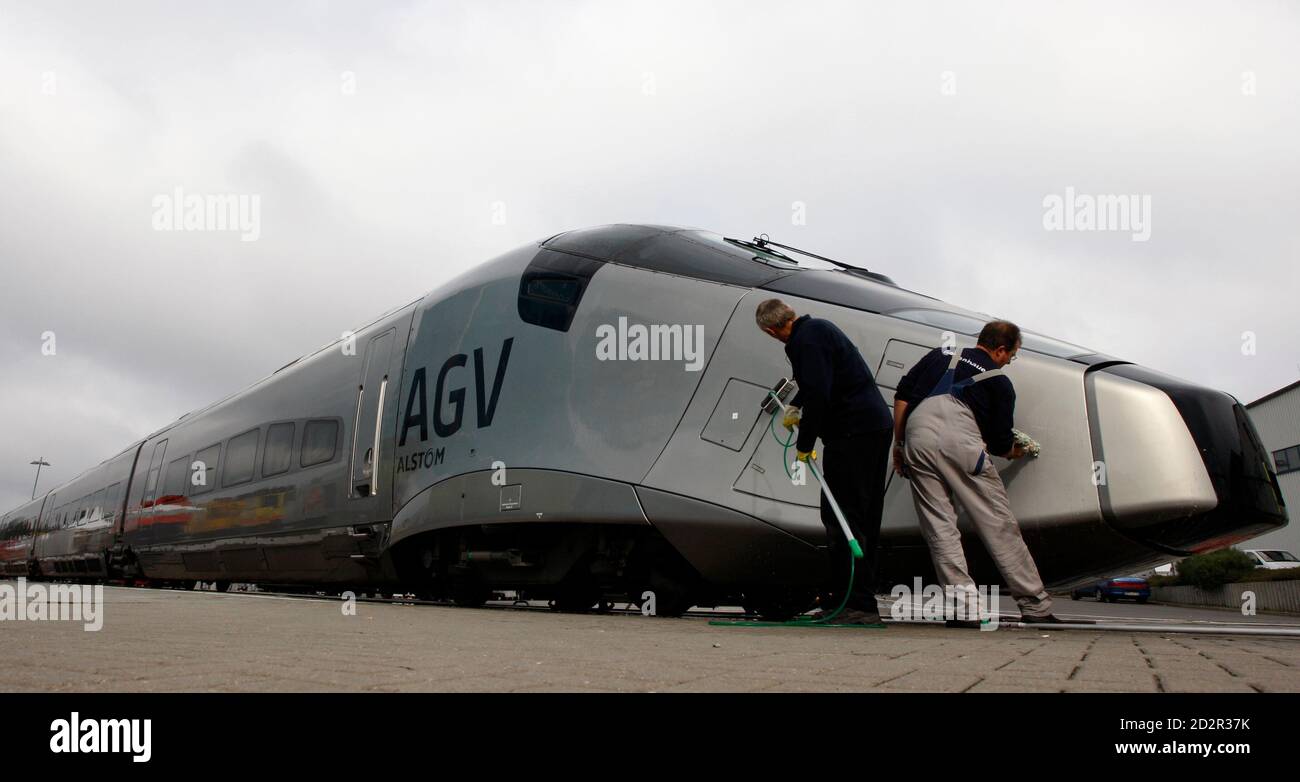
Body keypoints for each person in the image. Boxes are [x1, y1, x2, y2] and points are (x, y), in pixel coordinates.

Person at [892, 320, 1065, 626]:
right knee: (996, 523)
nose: (1011, 360)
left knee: (940, 527)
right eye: (1012, 354)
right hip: (960, 441)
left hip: (916, 435)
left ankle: (965, 611)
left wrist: (899, 443)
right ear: (1000, 350)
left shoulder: (940, 355)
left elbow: (903, 395)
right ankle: (1035, 606)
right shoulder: (1000, 382)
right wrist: (1016, 450)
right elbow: (999, 442)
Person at [755, 299, 893, 625]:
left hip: (852, 433)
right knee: (863, 515)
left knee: (841, 518)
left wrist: (804, 444)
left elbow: (820, 392)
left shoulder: (804, 340)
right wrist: (796, 405)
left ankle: (857, 604)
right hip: (871, 427)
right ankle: (855, 599)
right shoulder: (818, 330)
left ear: (772, 329)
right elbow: (821, 380)